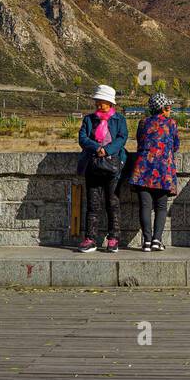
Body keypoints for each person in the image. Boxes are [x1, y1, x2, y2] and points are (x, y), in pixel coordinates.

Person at [77, 84, 128, 253]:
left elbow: (122, 138)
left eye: (102, 102)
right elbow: (83, 138)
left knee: (112, 203)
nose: (99, 105)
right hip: (93, 166)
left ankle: (113, 238)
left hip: (113, 166)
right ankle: (90, 238)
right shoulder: (89, 119)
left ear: (110, 103)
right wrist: (96, 148)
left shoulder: (119, 120)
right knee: (93, 204)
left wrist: (107, 150)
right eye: (97, 102)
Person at [128, 92, 179, 252]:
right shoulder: (171, 123)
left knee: (145, 206)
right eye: (168, 107)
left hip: (143, 169)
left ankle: (147, 242)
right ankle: (157, 240)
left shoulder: (143, 123)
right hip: (163, 170)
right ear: (163, 108)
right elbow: (175, 145)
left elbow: (139, 141)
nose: (170, 110)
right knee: (161, 207)